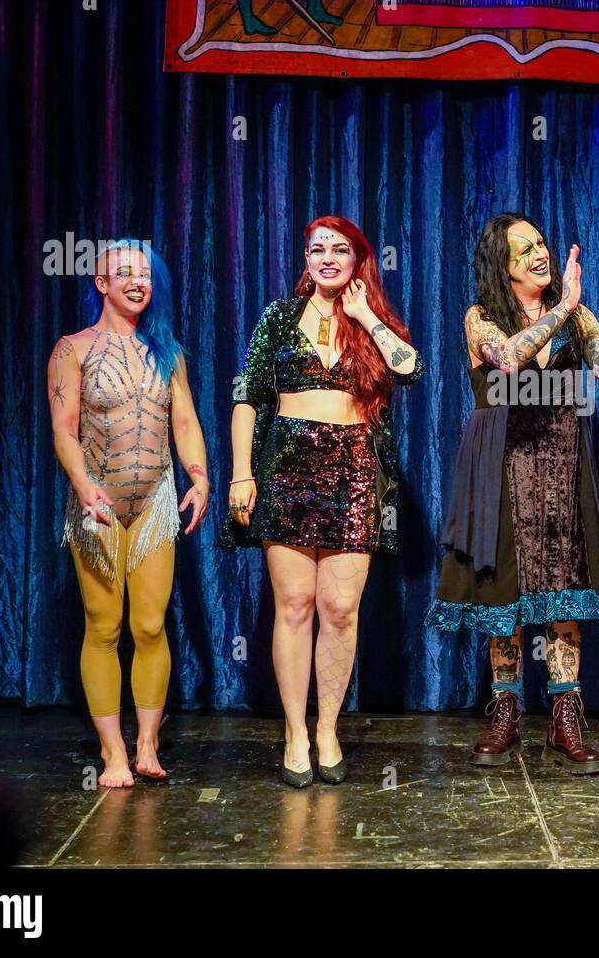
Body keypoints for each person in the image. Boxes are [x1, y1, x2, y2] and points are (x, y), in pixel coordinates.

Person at [427, 214, 599, 773]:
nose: (540, 254)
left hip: (561, 462)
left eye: (540, 243)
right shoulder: (481, 317)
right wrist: (562, 309)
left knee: (565, 589)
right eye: (524, 250)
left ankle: (565, 719)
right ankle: (506, 712)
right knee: (502, 595)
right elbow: (509, 359)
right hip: (498, 463)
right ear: (502, 265)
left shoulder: (576, 314)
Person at [220, 216, 422, 787]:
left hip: (354, 473)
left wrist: (365, 316)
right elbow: (248, 396)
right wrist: (241, 474)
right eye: (317, 249)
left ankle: (328, 728)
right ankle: (294, 733)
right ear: (306, 260)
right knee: (294, 605)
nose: (327, 257)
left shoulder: (370, 321)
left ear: (358, 261)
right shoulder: (279, 317)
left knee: (339, 609)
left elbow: (411, 370)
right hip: (286, 468)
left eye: (339, 249)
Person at [48, 240, 210, 788]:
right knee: (104, 626)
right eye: (125, 274)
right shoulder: (72, 349)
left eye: (145, 274)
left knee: (148, 625)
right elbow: (64, 430)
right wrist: (82, 484)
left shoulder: (168, 352)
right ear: (102, 283)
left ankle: (147, 744)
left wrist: (200, 477)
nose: (138, 282)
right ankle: (112, 751)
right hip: (97, 502)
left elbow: (184, 422)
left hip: (155, 502)